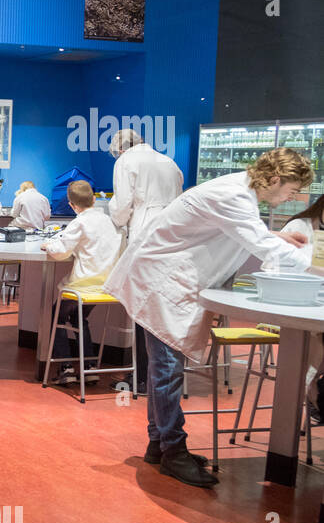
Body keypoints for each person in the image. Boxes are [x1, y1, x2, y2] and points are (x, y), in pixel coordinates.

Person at [104, 148, 324, 488]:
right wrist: (315, 267)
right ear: (276, 179)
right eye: (292, 191)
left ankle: (159, 445)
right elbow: (258, 243)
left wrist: (276, 236)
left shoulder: (238, 193)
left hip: (164, 277)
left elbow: (238, 231)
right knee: (166, 370)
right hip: (161, 280)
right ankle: (173, 451)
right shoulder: (234, 194)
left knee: (163, 368)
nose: (292, 198)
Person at [107, 127, 184, 393]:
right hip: (173, 236)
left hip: (145, 235)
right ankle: (159, 375)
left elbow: (122, 203)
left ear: (119, 149)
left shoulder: (125, 161)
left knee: (142, 307)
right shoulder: (170, 162)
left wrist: (115, 219)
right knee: (161, 308)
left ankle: (140, 376)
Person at [40, 180, 126, 385]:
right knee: (79, 318)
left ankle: (66, 367)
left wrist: (48, 245)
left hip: (83, 287)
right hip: (106, 287)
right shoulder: (112, 223)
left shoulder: (79, 222)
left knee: (56, 314)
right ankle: (89, 367)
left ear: (71, 205)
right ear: (94, 199)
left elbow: (61, 252)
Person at [280, 197, 324, 424]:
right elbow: (275, 265)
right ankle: (310, 392)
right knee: (317, 335)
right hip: (296, 306)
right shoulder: (299, 227)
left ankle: (315, 391)